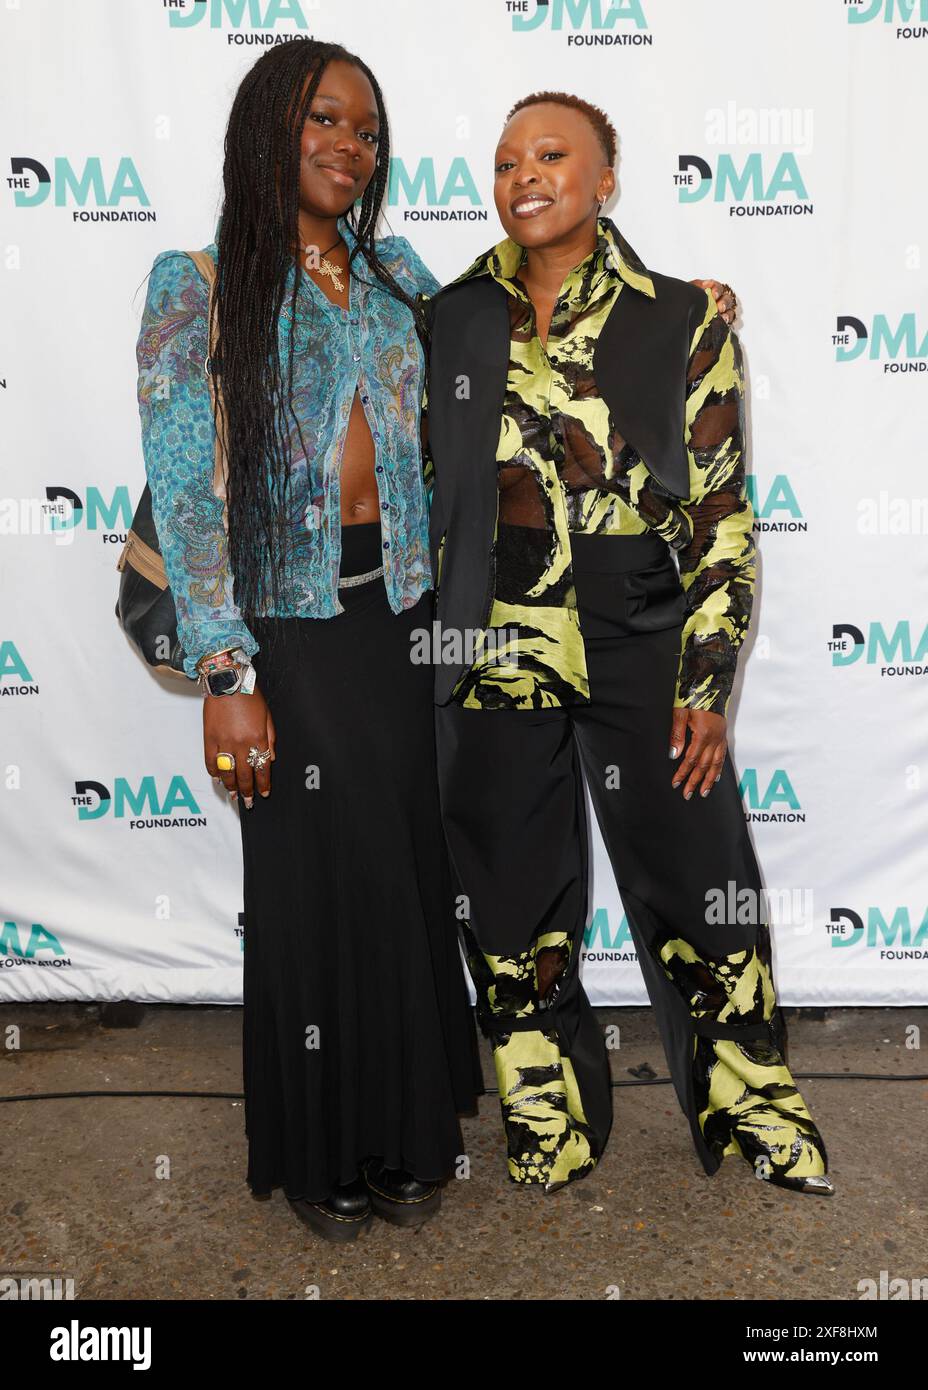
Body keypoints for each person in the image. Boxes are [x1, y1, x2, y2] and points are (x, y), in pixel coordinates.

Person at [423, 91, 832, 1197]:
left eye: (552, 155)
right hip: (496, 628)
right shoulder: (446, 314)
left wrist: (707, 681)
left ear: (607, 178)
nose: (524, 175)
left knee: (703, 878)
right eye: (506, 160)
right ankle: (545, 1109)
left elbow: (722, 517)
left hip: (642, 626)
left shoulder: (680, 319)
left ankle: (752, 1101)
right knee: (510, 886)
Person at [134, 39, 484, 1243]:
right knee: (315, 888)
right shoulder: (196, 281)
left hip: (401, 618)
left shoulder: (397, 273)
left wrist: (667, 297)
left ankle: (407, 1123)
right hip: (283, 627)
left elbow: (513, 355)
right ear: (268, 128)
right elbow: (183, 495)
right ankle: (324, 1140)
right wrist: (225, 672)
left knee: (401, 875)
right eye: (324, 119)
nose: (350, 145)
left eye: (368, 129)